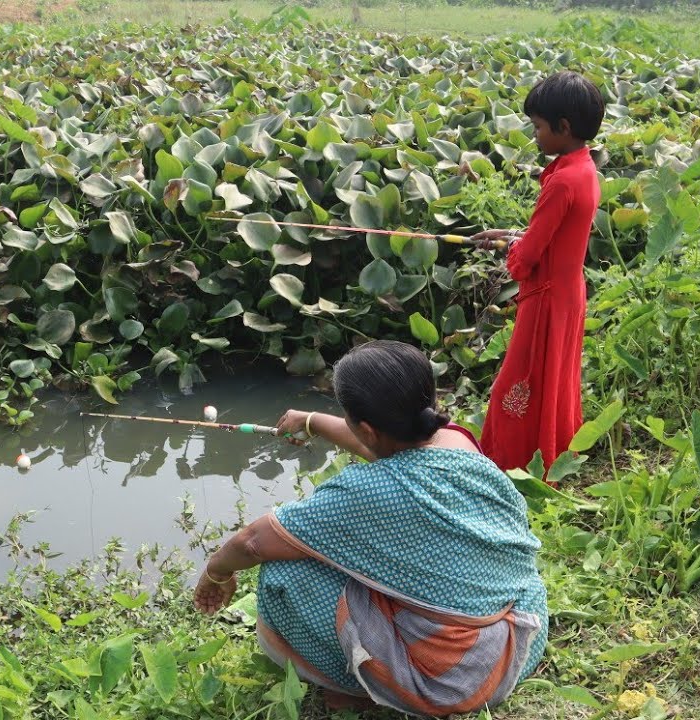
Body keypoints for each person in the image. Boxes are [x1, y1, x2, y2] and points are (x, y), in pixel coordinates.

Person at [192, 340, 547, 716]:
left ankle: (353, 685)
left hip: (453, 682)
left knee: (284, 573)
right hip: (517, 638)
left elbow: (253, 542)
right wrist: (312, 421)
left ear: (366, 428)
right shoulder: (457, 442)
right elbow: (387, 447)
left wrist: (216, 572)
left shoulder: (368, 492)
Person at [471, 71, 605, 475]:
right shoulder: (583, 169)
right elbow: (553, 235)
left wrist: (512, 246)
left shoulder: (562, 181)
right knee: (554, 380)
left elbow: (526, 257)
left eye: (538, 127)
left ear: (563, 127)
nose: (535, 136)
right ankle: (551, 453)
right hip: (567, 293)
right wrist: (509, 233)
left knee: (517, 383)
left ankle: (512, 464)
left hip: (546, 298)